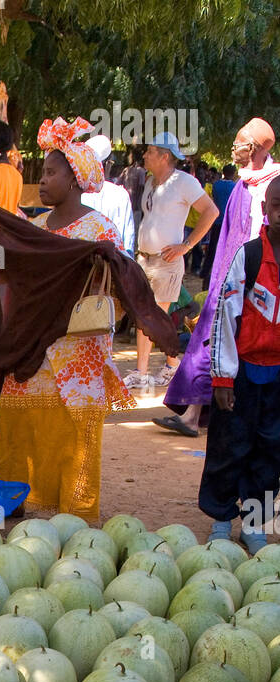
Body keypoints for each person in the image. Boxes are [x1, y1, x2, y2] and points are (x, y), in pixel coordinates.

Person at [0, 117, 135, 521]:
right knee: (21, 428)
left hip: (77, 356)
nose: (43, 179)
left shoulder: (99, 229)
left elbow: (117, 290)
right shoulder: (32, 229)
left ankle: (76, 513)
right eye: (43, 171)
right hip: (34, 350)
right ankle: (13, 503)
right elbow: (12, 280)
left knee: (74, 434)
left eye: (52, 172)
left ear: (75, 179)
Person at [155, 119, 276, 436]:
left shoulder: (269, 187)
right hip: (229, 276)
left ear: (253, 147)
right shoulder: (245, 184)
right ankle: (192, 415)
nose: (234, 147)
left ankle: (204, 416)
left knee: (228, 344)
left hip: (254, 281)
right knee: (209, 340)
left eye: (239, 141)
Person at [198, 176, 280, 554]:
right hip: (243, 371)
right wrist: (222, 378)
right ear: (266, 210)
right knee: (230, 445)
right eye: (277, 206)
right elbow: (225, 318)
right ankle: (219, 518)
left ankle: (254, 521)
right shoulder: (247, 256)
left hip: (277, 376)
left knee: (271, 449)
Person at [124, 131, 218, 394]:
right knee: (147, 316)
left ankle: (147, 370)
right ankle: (167, 364)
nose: (144, 154)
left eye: (150, 151)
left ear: (164, 156)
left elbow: (211, 211)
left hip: (166, 261)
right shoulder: (152, 181)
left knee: (152, 316)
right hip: (146, 259)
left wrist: (186, 246)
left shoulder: (184, 182)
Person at [82, 133, 135, 254]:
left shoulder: (74, 193)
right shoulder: (120, 195)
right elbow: (127, 243)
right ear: (107, 165)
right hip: (111, 266)